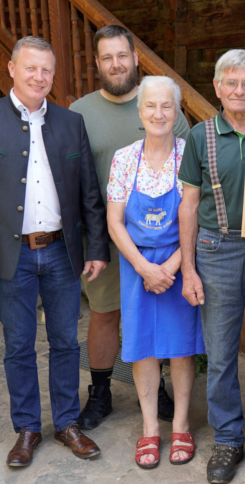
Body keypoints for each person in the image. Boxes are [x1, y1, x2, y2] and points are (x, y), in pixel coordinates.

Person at [0, 36, 108, 467]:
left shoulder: (70, 122)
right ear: (12, 69)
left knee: (64, 342)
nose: (39, 77)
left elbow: (89, 192)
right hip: (11, 255)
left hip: (61, 251)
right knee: (18, 344)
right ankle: (27, 428)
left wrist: (95, 246)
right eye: (31, 68)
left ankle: (66, 423)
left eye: (46, 71)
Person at [70, 25, 190, 430]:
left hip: (165, 242)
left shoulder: (164, 103)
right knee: (105, 314)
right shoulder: (80, 112)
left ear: (135, 58)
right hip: (106, 237)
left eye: (122, 55)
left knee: (158, 316)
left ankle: (154, 392)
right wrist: (89, 242)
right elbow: (75, 179)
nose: (115, 64)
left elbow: (191, 173)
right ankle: (100, 393)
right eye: (106, 57)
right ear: (98, 63)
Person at [178, 49, 245, 484]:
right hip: (216, 248)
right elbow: (188, 205)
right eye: (231, 83)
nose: (240, 91)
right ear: (217, 88)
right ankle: (226, 437)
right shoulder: (200, 137)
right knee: (220, 351)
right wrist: (188, 268)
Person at [106, 75, 204, 469]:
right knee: (143, 349)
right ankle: (150, 428)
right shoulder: (124, 158)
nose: (159, 113)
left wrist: (172, 267)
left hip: (180, 262)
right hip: (137, 267)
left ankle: (180, 424)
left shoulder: (189, 154)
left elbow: (197, 217)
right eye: (151, 106)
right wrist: (145, 267)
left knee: (181, 349)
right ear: (140, 110)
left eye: (167, 106)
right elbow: (115, 222)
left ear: (177, 110)